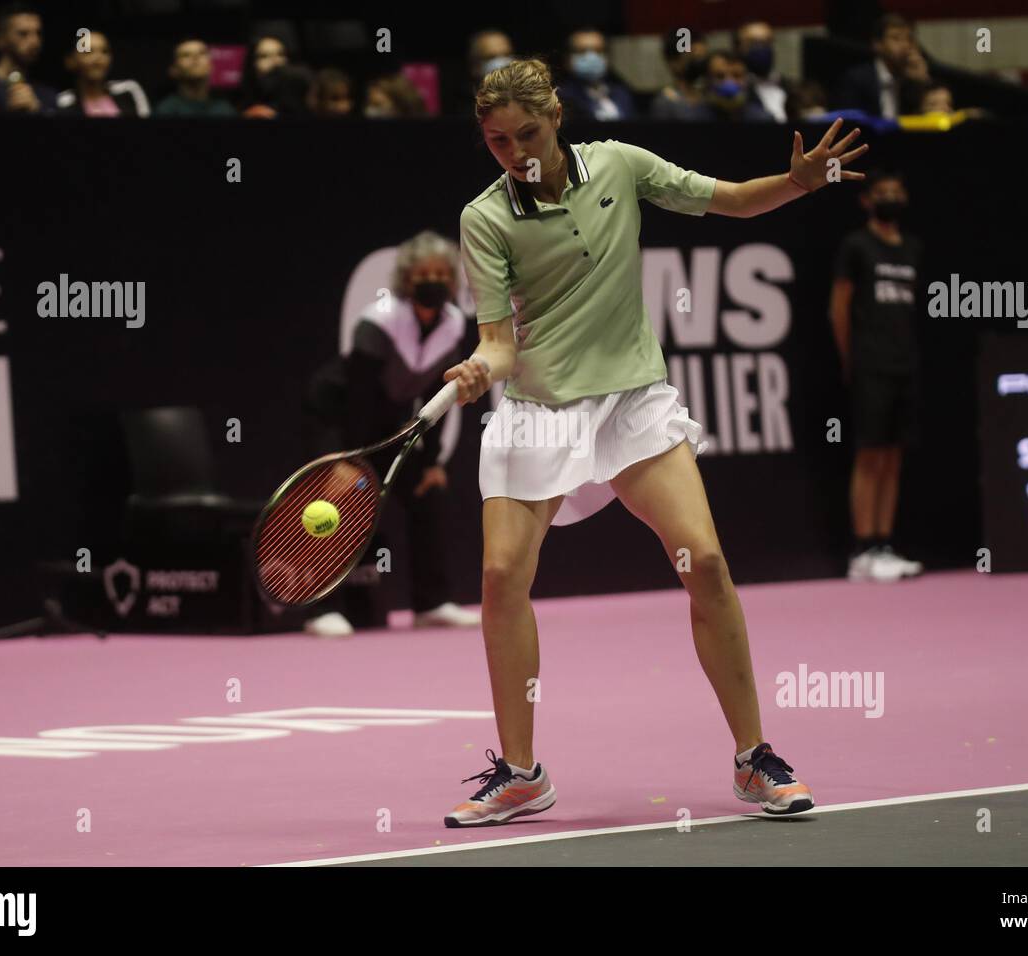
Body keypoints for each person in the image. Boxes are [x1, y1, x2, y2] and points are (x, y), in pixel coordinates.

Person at [444, 57, 868, 827]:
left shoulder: (621, 165)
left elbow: (732, 201)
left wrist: (800, 181)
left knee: (703, 559)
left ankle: (754, 759)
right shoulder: (486, 218)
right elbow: (501, 343)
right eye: (499, 142)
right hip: (537, 410)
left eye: (528, 134)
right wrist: (481, 367)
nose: (516, 153)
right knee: (503, 576)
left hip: (633, 403)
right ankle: (520, 773)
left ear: (557, 119)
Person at [305, 231, 482, 637]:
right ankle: (321, 609)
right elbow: (358, 401)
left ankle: (431, 603)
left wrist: (433, 460)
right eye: (424, 273)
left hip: (386, 423)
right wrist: (348, 460)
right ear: (407, 279)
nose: (434, 280)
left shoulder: (452, 325)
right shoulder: (379, 322)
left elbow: (438, 394)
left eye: (442, 273)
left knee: (426, 490)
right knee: (336, 502)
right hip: (335, 417)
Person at [829, 170, 925, 583]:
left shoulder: (913, 248)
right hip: (870, 364)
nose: (891, 198)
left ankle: (885, 543)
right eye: (882, 193)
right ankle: (863, 549)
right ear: (866, 201)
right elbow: (839, 307)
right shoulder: (856, 247)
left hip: (905, 362)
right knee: (869, 454)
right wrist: (851, 359)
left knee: (894, 454)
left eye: (897, 191)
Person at [0, 3, 55, 114]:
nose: (35, 42)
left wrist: (38, 110)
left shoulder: (47, 94)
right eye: (23, 34)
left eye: (38, 33)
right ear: (0, 39)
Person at [832, 13, 915, 120]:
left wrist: (921, 83)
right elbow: (847, 121)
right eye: (896, 38)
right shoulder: (856, 79)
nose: (905, 45)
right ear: (877, 44)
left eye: (908, 39)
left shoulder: (913, 79)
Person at [56, 30, 150, 117]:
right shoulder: (63, 102)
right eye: (88, 52)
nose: (98, 58)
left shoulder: (128, 91)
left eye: (104, 52)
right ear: (70, 61)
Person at [556, 27, 637, 123]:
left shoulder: (622, 93)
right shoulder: (562, 97)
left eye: (598, 51)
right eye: (581, 51)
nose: (591, 57)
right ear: (567, 59)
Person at [153, 38, 236, 117]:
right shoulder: (165, 111)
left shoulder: (225, 110)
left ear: (211, 66)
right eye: (186, 55)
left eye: (202, 53)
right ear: (173, 70)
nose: (195, 57)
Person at [649, 26, 709, 120]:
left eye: (702, 58)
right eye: (693, 57)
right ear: (673, 62)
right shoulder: (665, 102)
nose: (700, 64)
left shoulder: (709, 97)